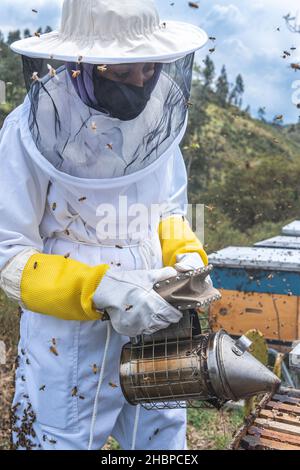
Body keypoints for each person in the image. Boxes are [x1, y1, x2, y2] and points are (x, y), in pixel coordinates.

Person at [0, 0, 210, 450]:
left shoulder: (159, 122)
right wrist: (100, 289)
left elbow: (168, 212)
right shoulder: (27, 130)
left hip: (158, 320)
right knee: (58, 442)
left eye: (149, 69)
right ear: (82, 65)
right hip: (69, 339)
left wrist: (186, 257)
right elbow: (9, 258)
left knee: (161, 443)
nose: (139, 84)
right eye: (121, 73)